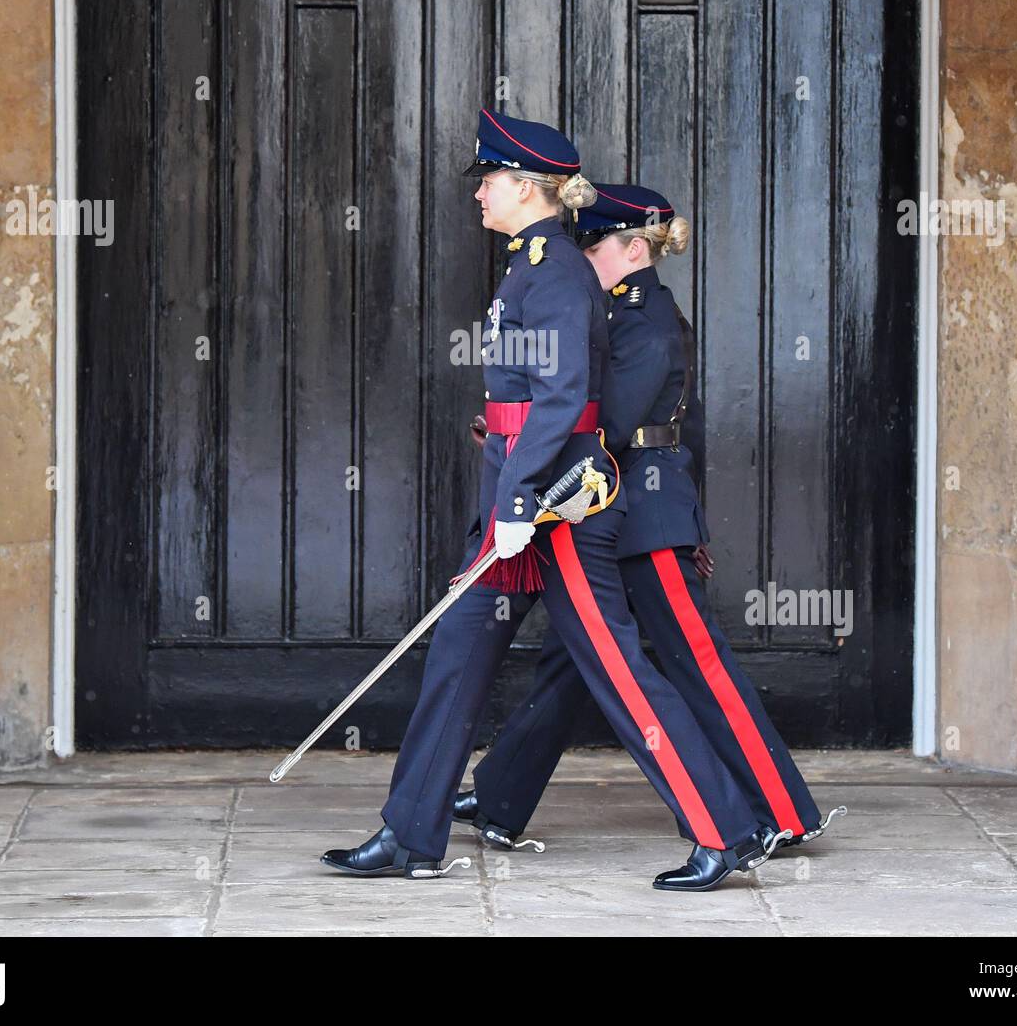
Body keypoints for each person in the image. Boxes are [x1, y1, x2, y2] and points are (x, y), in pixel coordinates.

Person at [321, 111, 775, 890]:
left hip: (558, 512)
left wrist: (519, 500)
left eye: (489, 181)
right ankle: (411, 832)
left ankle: (723, 831)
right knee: (459, 652)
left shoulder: (560, 272)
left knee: (620, 672)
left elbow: (564, 400)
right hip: (520, 505)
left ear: (526, 190)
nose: (480, 195)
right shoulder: (531, 265)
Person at [453, 183, 844, 853]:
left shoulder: (647, 322)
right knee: (571, 664)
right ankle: (500, 795)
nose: (584, 256)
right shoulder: (615, 316)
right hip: (609, 514)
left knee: (699, 662)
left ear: (635, 250)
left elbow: (605, 425)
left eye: (596, 245)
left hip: (645, 523)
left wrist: (526, 442)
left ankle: (782, 809)